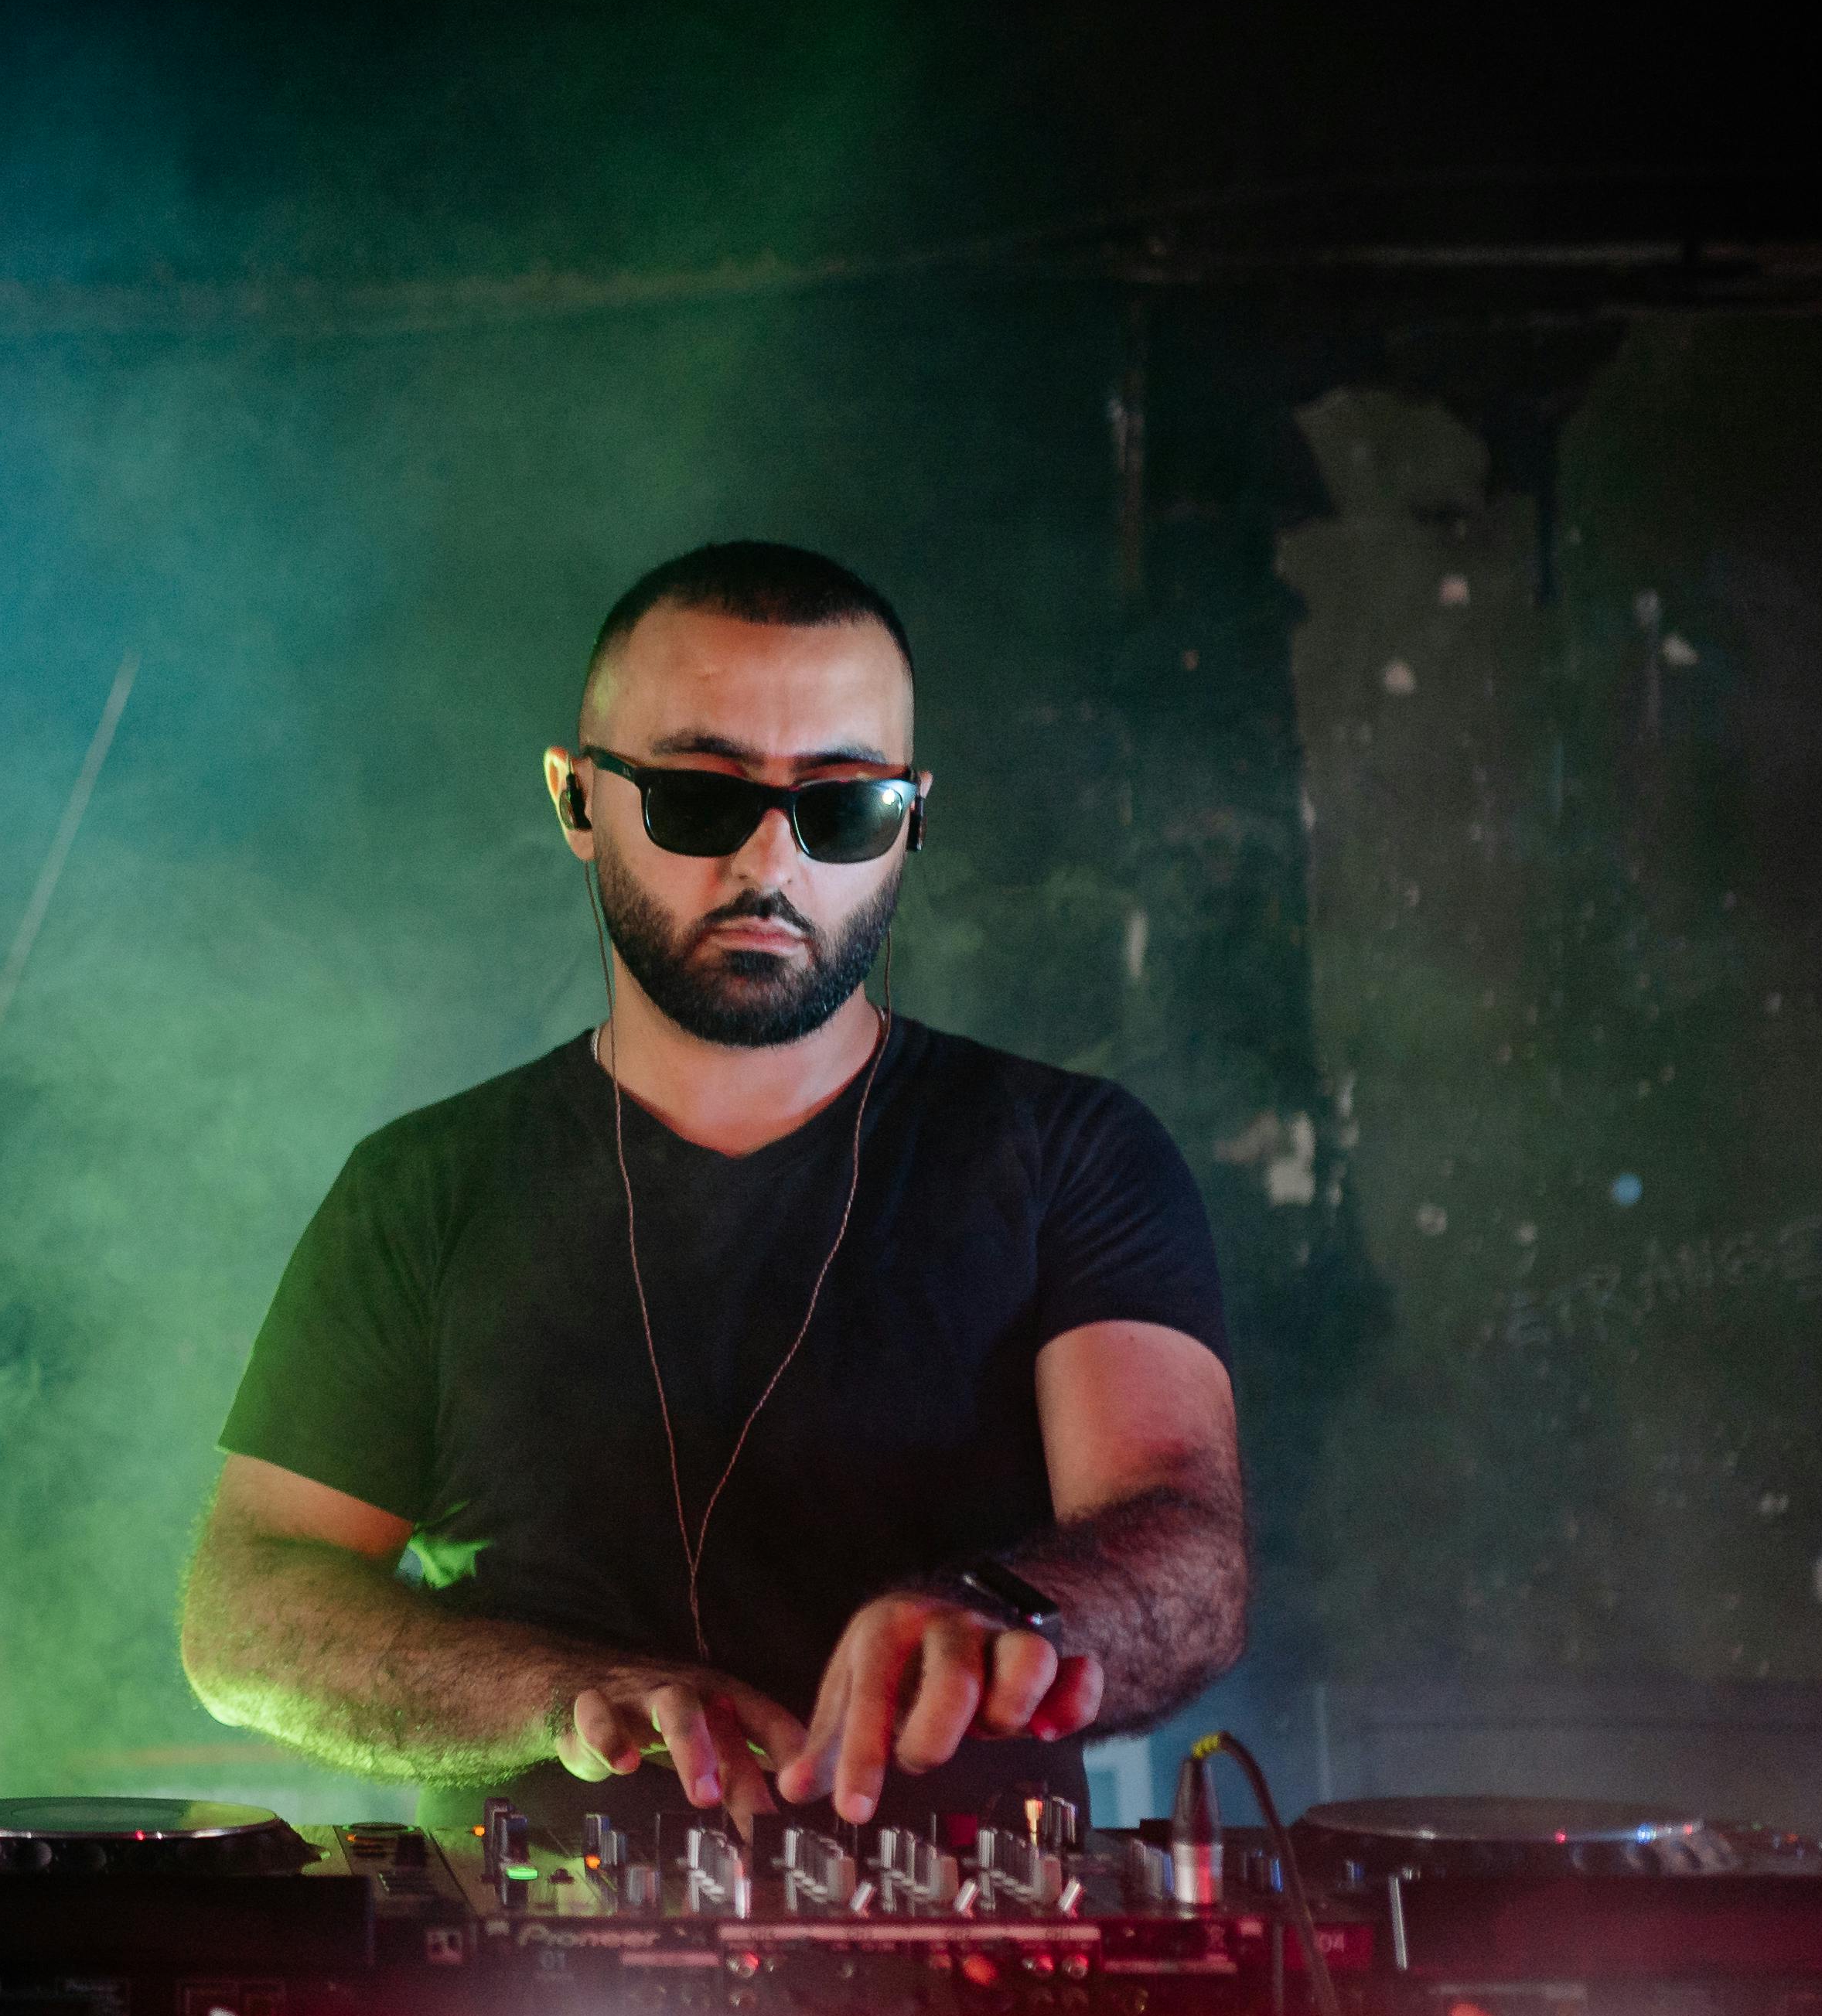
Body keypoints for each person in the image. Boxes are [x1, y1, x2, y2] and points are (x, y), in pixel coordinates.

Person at [179, 541, 1244, 1850]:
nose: (769, 865)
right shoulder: (424, 1188)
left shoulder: (1069, 1152)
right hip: (516, 2009)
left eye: (842, 807)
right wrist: (563, 1695)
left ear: (911, 816)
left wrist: (1009, 1613)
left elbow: (1185, 1545)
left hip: (974, 1993)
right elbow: (247, 1613)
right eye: (698, 797)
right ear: (579, 801)